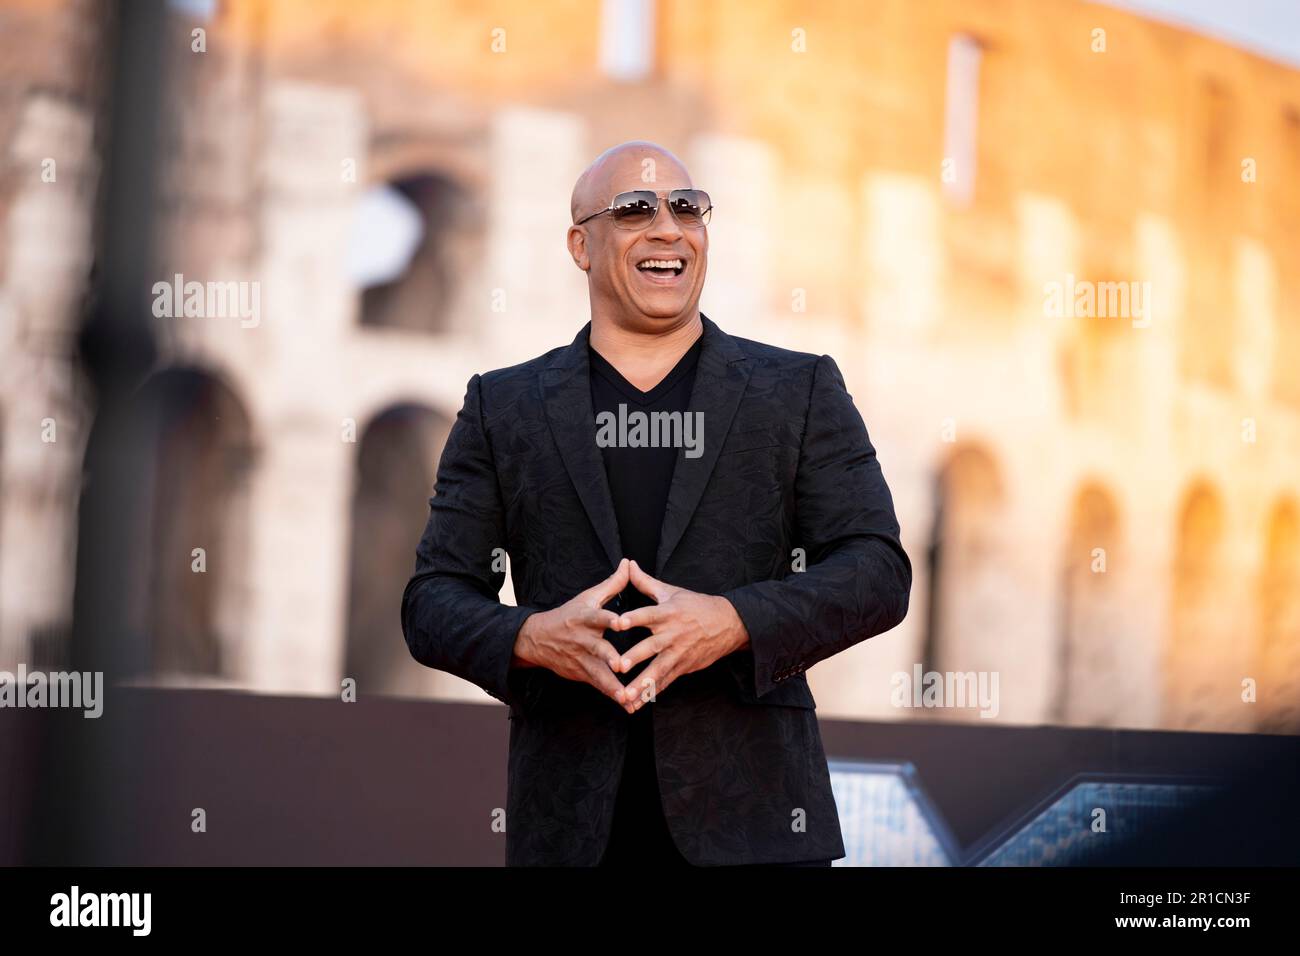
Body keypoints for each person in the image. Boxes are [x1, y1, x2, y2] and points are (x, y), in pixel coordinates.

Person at [401, 140, 911, 866]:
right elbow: (433, 601)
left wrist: (733, 622)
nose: (669, 228)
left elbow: (877, 573)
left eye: (688, 208)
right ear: (581, 244)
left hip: (757, 831)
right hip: (571, 833)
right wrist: (532, 637)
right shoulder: (501, 406)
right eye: (636, 209)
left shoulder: (797, 390)